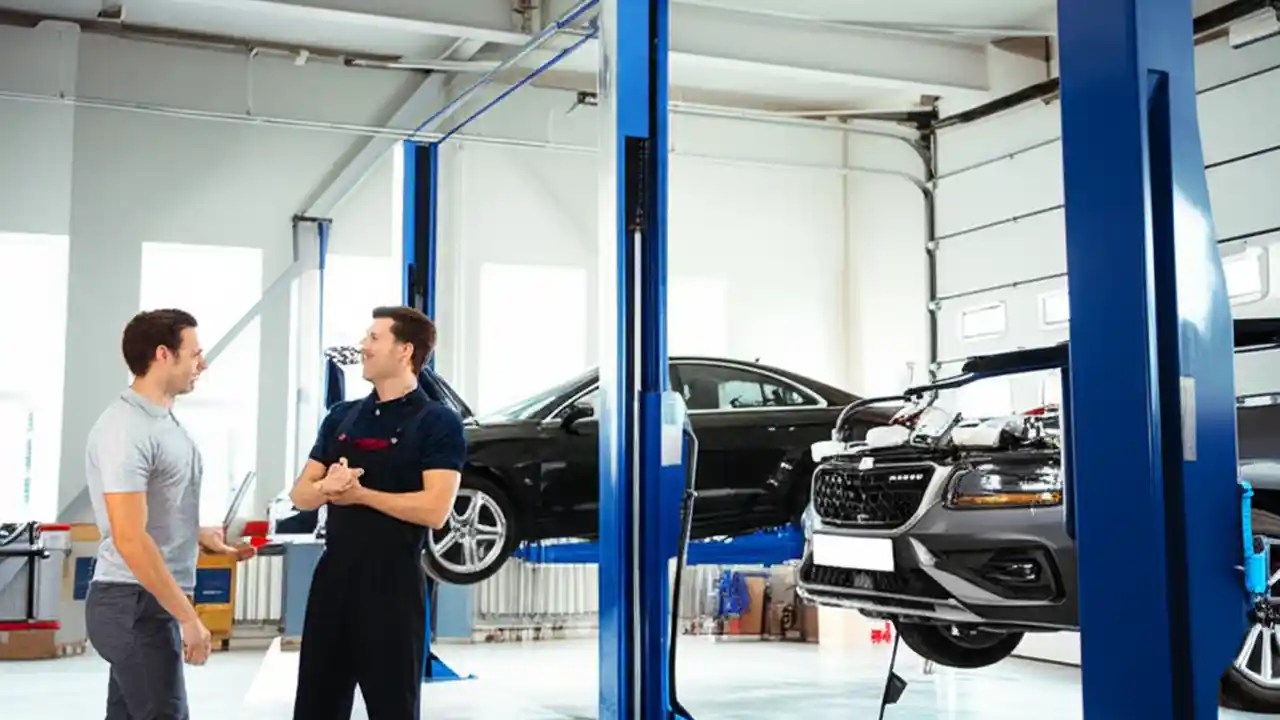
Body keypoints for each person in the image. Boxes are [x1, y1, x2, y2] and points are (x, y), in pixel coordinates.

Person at [290, 305, 465, 720]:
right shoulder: (341, 417)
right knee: (316, 705)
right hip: (332, 581)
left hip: (393, 588)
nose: (363, 347)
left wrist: (361, 495)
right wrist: (325, 489)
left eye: (373, 338)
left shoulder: (439, 423)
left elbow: (435, 510)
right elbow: (300, 495)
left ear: (405, 350)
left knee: (392, 707)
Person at [84, 308, 256, 720]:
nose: (203, 363)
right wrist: (188, 618)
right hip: (132, 602)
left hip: (147, 598)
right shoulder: (127, 430)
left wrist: (197, 534)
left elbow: (153, 511)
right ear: (164, 354)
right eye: (194, 353)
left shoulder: (162, 422)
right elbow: (128, 536)